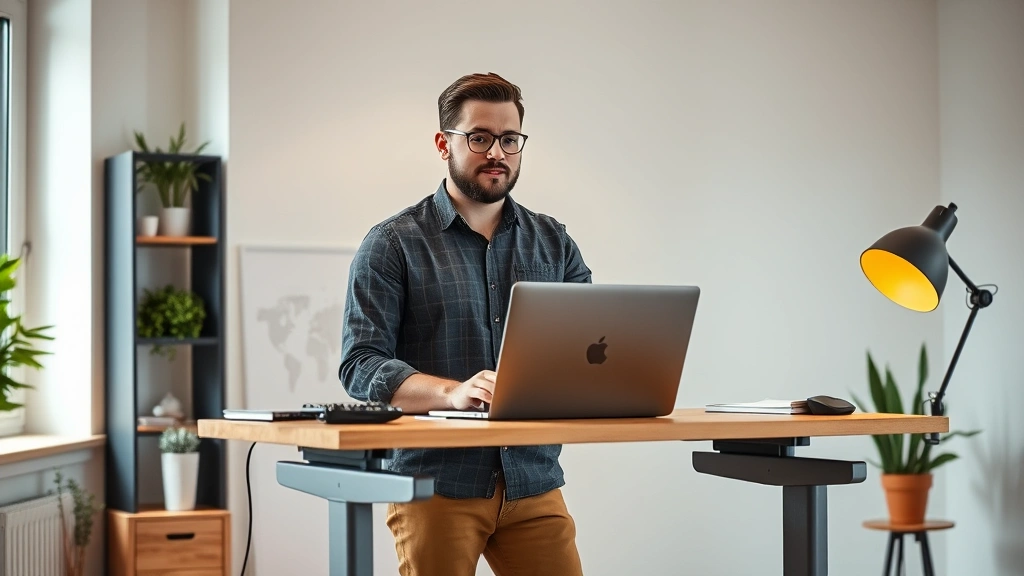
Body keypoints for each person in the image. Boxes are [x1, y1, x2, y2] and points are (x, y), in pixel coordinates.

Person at [339, 72, 591, 576]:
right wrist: (453, 393)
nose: (496, 151)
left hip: (533, 478)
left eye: (510, 139)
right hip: (436, 485)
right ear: (443, 143)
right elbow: (360, 364)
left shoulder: (553, 242)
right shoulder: (392, 244)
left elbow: (588, 346)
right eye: (479, 137)